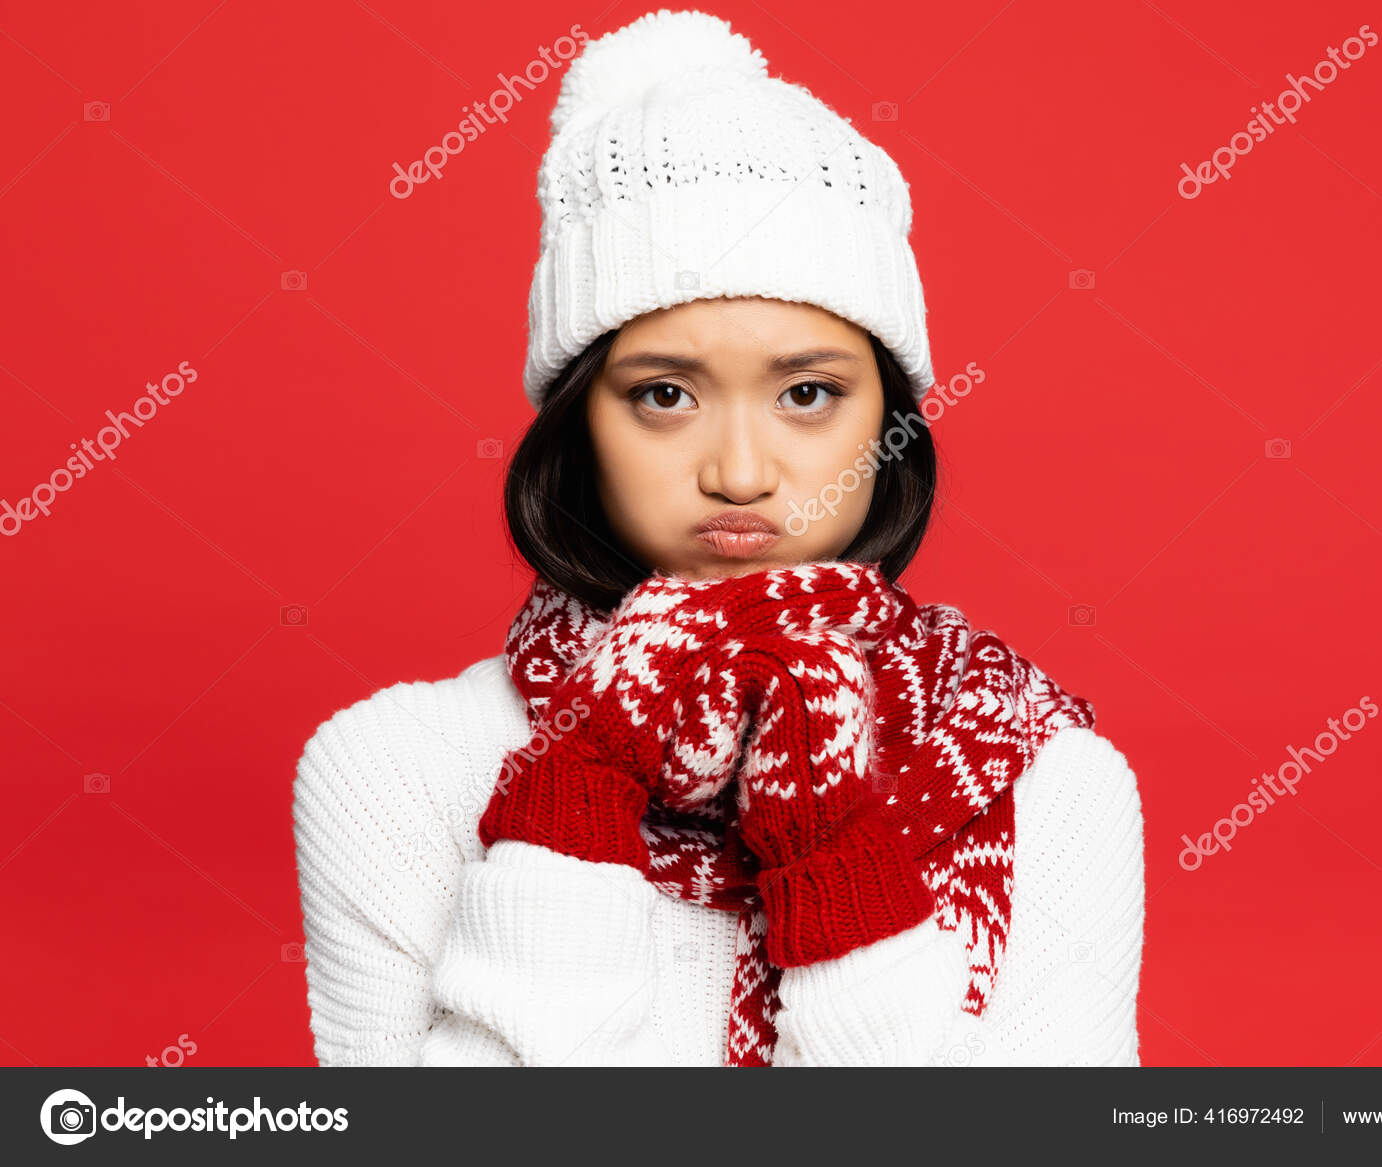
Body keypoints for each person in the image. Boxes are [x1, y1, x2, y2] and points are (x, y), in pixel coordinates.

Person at [292, 8, 1144, 1067]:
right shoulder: (398, 768)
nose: (739, 473)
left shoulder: (1037, 773)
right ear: (576, 425)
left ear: (889, 422)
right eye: (662, 395)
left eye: (806, 393)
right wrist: (574, 796)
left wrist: (835, 863)